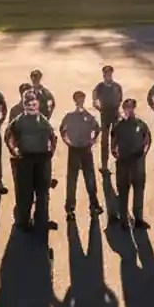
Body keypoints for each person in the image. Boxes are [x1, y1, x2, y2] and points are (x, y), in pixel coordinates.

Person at [5, 91, 57, 233]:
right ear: (24, 104)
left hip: (42, 160)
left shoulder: (43, 120)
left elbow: (53, 137)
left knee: (43, 192)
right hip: (25, 160)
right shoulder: (19, 121)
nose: (31, 106)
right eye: (28, 103)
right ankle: (24, 221)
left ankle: (41, 220)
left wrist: (50, 153)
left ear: (37, 104)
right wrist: (14, 151)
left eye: (34, 103)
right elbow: (8, 136)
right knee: (25, 193)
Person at [60, 91, 103, 220]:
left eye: (82, 99)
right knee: (72, 181)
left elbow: (97, 128)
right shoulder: (69, 116)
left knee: (90, 179)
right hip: (74, 150)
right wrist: (67, 141)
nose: (80, 101)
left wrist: (92, 140)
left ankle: (94, 204)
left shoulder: (89, 116)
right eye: (78, 99)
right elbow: (62, 129)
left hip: (85, 149)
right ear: (75, 100)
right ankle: (70, 209)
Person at [111, 99, 152, 230]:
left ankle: (138, 219)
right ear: (124, 109)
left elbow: (147, 139)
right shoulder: (118, 125)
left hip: (138, 162)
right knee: (123, 192)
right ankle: (124, 220)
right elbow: (113, 143)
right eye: (127, 108)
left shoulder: (141, 124)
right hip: (123, 162)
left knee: (139, 191)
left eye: (131, 107)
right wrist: (117, 155)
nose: (129, 110)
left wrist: (143, 154)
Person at [93, 65, 124, 174]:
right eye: (106, 74)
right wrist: (99, 107)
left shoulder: (117, 86)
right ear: (103, 75)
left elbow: (120, 99)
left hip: (115, 114)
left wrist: (117, 107)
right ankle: (105, 165)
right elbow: (94, 100)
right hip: (105, 115)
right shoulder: (99, 87)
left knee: (116, 139)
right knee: (105, 141)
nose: (108, 76)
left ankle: (119, 160)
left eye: (109, 74)